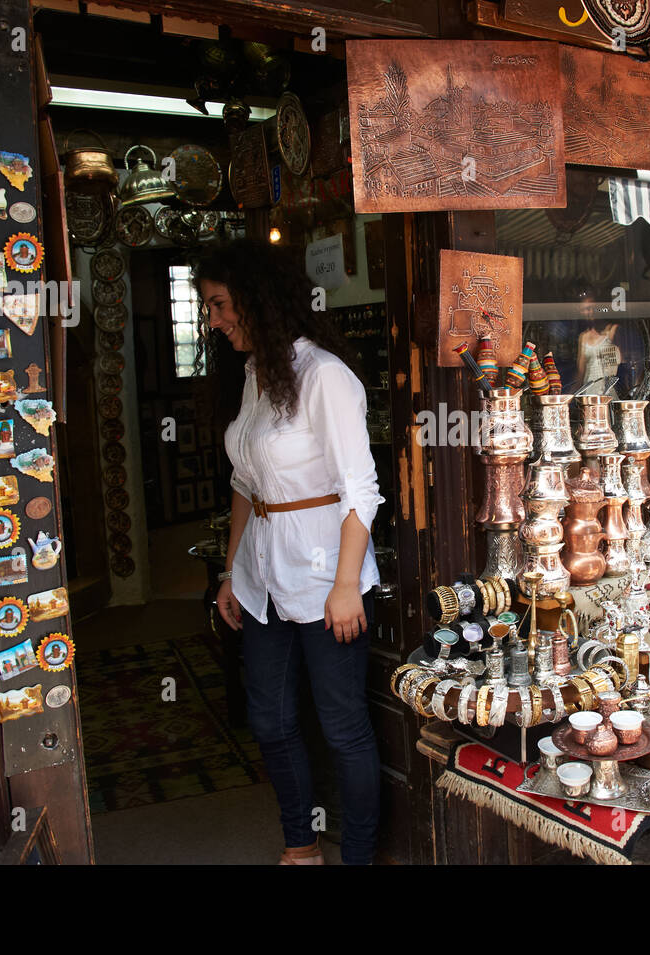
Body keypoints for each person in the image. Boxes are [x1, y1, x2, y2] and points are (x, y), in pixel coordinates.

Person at [200, 240, 383, 866]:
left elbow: (361, 489)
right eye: (209, 308)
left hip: (325, 576)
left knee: (342, 727)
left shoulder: (324, 375)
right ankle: (301, 847)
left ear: (256, 298)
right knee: (272, 721)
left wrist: (346, 584)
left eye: (221, 305)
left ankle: (358, 857)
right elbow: (245, 487)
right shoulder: (256, 376)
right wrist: (231, 570)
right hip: (262, 579)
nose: (215, 320)